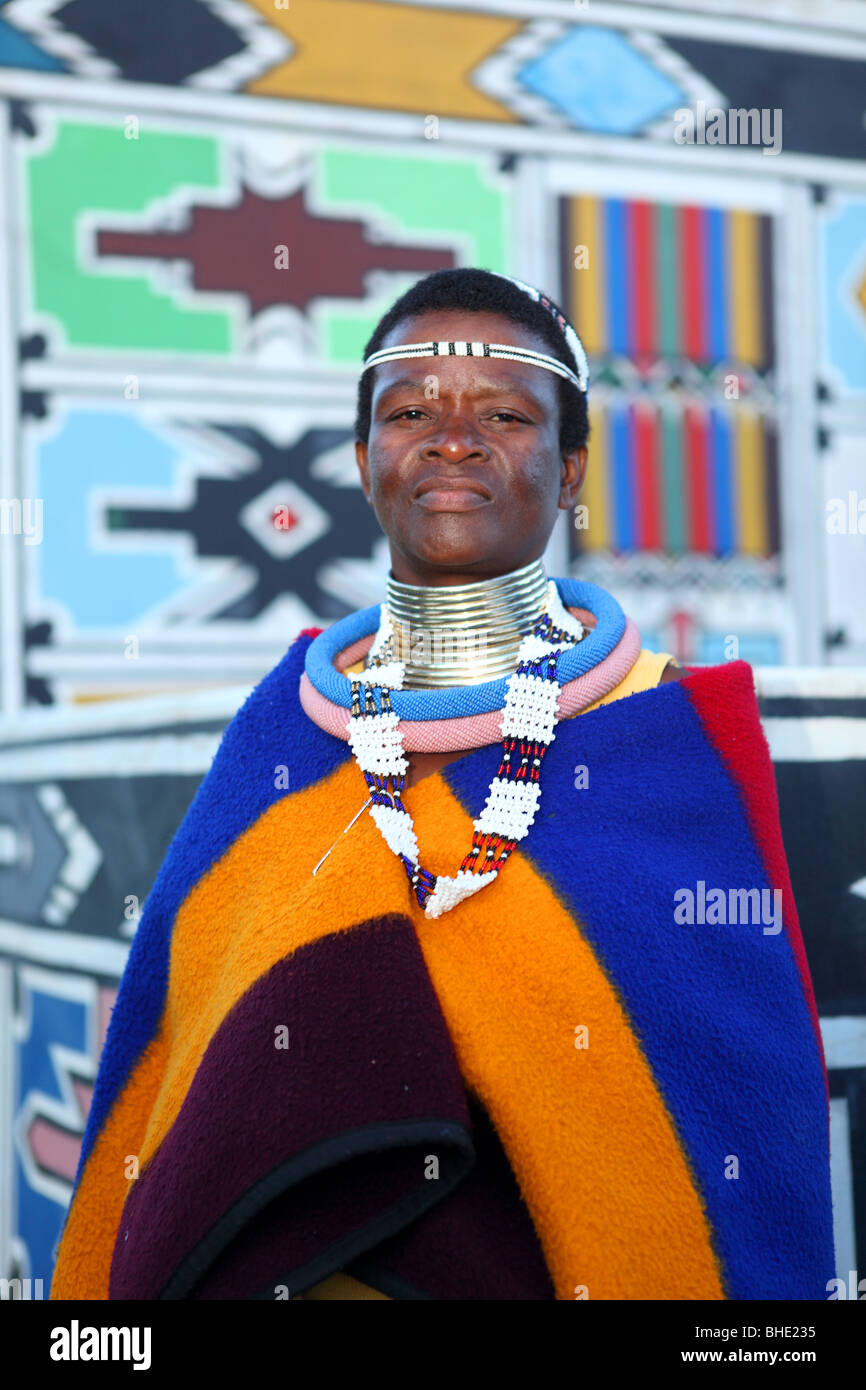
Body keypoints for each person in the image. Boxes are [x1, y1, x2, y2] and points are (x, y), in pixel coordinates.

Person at [50, 269, 834, 1301]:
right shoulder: (284, 725)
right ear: (362, 459)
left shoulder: (669, 733)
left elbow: (730, 1099)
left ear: (567, 471)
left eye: (502, 414)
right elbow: (188, 1045)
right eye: (408, 410)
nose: (451, 440)